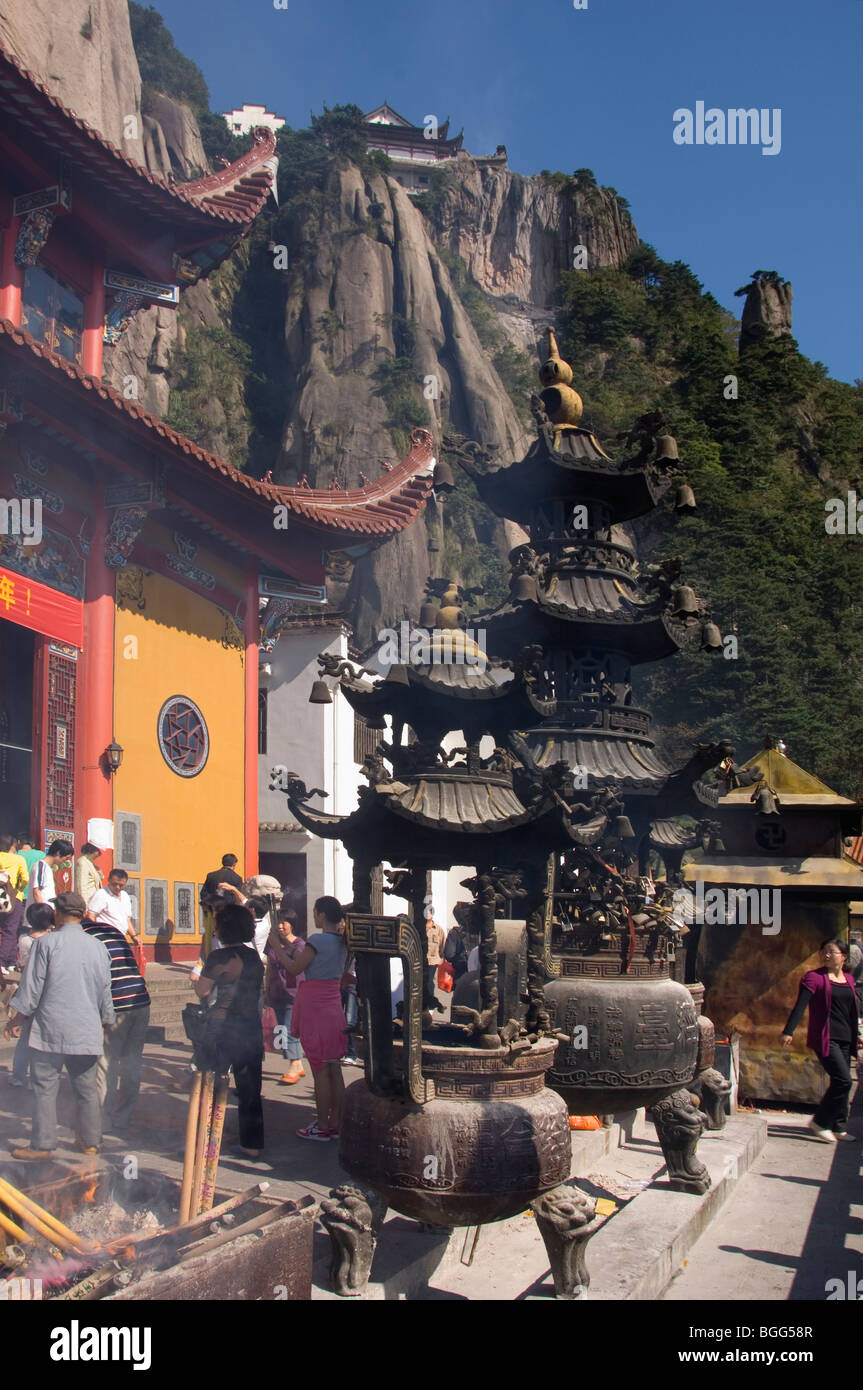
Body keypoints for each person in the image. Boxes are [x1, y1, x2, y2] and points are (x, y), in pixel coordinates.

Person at [4, 891, 114, 1158]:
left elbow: (31, 991)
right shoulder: (99, 947)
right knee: (86, 1088)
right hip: (86, 1029)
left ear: (58, 913)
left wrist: (15, 1020)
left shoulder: (47, 944)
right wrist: (107, 1022)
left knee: (45, 1086)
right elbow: (105, 992)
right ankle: (90, 1142)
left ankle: (43, 1144)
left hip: (51, 1029)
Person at [268, 895, 347, 1141]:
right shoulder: (343, 941)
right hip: (334, 1006)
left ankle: (322, 1125)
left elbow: (294, 968)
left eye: (315, 912)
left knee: (320, 1071)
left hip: (316, 1008)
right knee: (334, 1068)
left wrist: (276, 947)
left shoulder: (317, 940)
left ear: (321, 915)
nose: (314, 916)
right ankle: (337, 1123)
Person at [194, 903, 265, 1159]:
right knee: (249, 1089)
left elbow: (202, 990)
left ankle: (206, 1137)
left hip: (222, 1026)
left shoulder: (219, 957)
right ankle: (252, 1144)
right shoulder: (253, 956)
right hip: (250, 1026)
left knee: (211, 1080)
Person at [781, 938, 860, 1142]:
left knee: (842, 1081)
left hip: (845, 1037)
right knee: (843, 1080)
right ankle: (820, 1122)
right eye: (824, 951)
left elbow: (851, 1011)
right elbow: (800, 1006)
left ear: (843, 957)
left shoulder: (849, 980)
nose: (826, 955)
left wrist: (857, 1035)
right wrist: (788, 1031)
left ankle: (838, 1126)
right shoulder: (814, 978)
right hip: (826, 1038)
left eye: (831, 952)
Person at [82, 908, 151, 1136]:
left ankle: (102, 1120)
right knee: (132, 1062)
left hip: (118, 1003)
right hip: (140, 999)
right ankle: (123, 1117)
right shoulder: (111, 930)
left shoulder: (83, 938)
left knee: (106, 1063)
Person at [9, 903, 54, 1088]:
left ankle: (19, 1076)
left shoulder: (23, 939)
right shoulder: (51, 940)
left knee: (25, 1039)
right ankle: (37, 1077)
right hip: (46, 992)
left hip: (27, 989)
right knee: (41, 1040)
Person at [264, 908, 306, 1084]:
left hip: (294, 992)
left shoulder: (299, 944)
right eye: (278, 922)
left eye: (284, 923)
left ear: (292, 924)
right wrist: (267, 988)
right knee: (282, 1029)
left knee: (289, 1030)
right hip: (277, 991)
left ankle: (294, 1064)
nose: (280, 926)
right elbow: (269, 966)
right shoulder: (273, 943)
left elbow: (298, 964)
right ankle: (297, 1063)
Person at [199, 854, 244, 959]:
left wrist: (211, 905)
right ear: (234, 864)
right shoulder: (237, 878)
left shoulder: (211, 875)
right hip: (228, 913)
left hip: (211, 912)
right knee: (226, 937)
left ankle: (207, 960)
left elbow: (203, 894)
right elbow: (237, 897)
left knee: (210, 937)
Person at [86, 868, 140, 947]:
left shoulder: (125, 896)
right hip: (104, 938)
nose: (118, 887)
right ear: (109, 880)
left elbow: (126, 919)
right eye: (114, 884)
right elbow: (91, 915)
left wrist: (133, 936)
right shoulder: (101, 894)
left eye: (121, 885)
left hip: (120, 938)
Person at [0, 832, 30, 973]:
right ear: (13, 845)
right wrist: (18, 889)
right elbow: (25, 878)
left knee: (8, 930)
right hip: (13, 898)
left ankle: (10, 961)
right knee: (11, 930)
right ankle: (3, 961)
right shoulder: (18, 859)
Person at [25, 838, 74, 909]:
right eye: (66, 858)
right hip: (40, 915)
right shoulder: (41, 866)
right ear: (58, 853)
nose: (65, 861)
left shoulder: (47, 868)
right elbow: (36, 892)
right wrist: (42, 912)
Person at [425, 913, 446, 1014]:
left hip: (432, 961)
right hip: (420, 960)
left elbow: (442, 945)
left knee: (429, 982)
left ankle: (431, 1006)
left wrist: (439, 959)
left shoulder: (438, 930)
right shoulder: (419, 927)